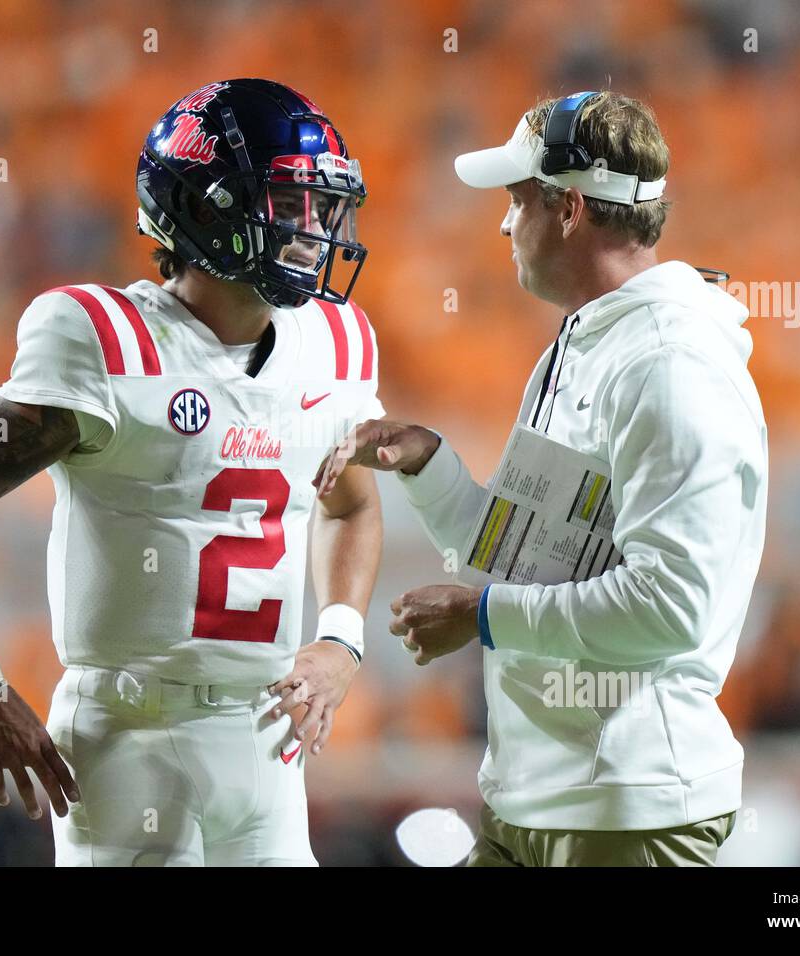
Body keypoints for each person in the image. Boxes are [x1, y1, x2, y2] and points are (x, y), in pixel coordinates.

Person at [0, 79, 385, 866]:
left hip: (265, 738)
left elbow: (350, 504)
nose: (316, 229)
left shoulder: (337, 343)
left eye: (323, 207)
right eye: (289, 203)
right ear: (206, 207)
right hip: (130, 739)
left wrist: (340, 640)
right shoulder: (107, 340)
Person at [315, 91, 768, 866]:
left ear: (567, 210)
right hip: (543, 794)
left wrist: (486, 617)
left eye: (516, 198)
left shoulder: (670, 364)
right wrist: (430, 466)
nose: (501, 222)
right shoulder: (590, 339)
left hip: (629, 806)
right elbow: (531, 558)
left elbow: (672, 606)